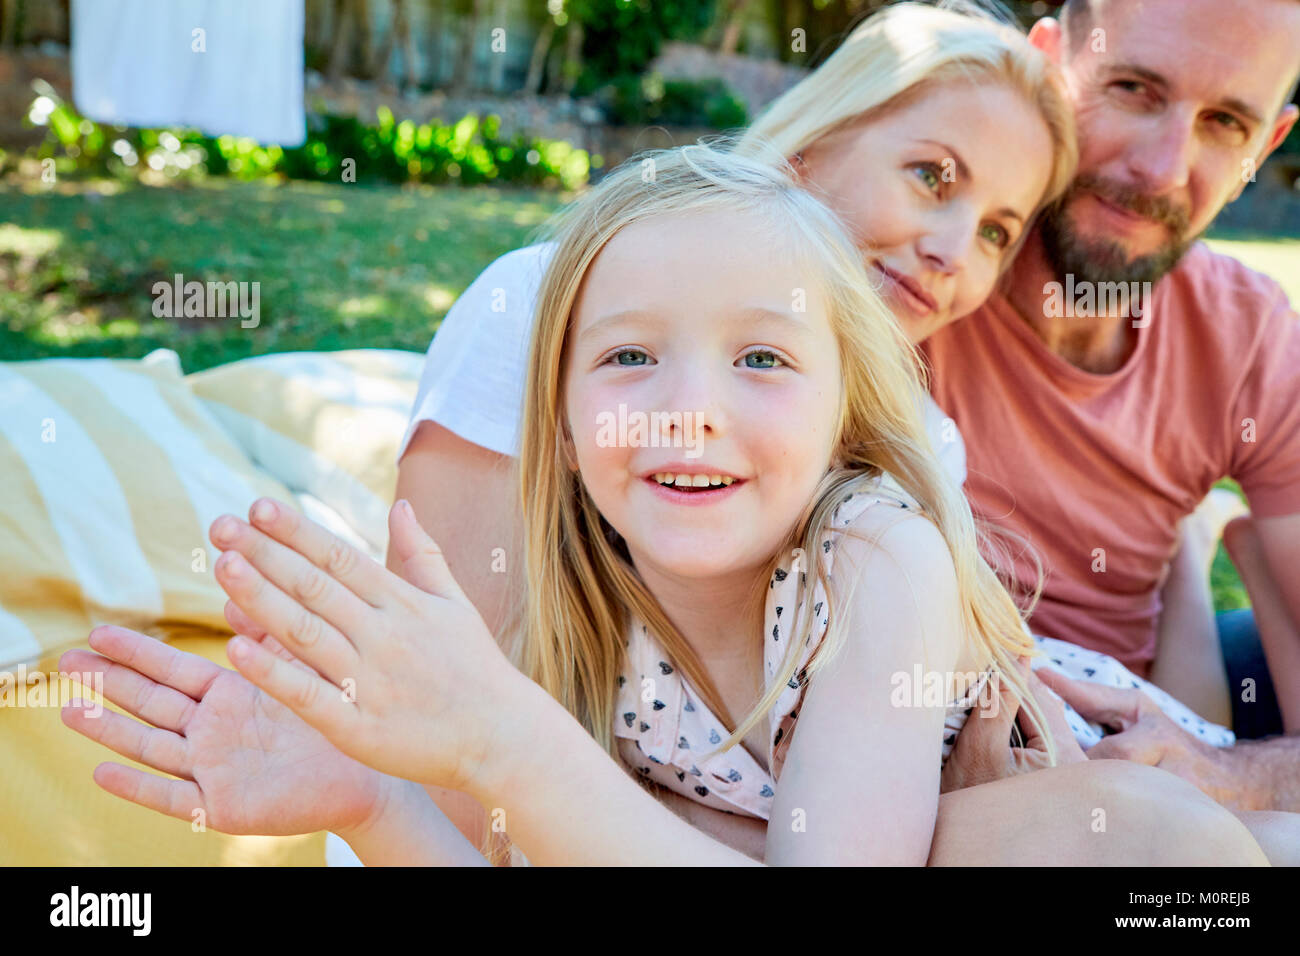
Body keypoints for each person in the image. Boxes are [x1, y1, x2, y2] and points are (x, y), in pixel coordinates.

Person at [63, 143, 1276, 864]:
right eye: (630, 357)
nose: (687, 411)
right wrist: (372, 797)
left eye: (761, 359)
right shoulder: (577, 582)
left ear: (844, 412)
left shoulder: (873, 556)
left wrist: (509, 744)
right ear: (559, 414)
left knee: (1169, 849)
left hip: (1145, 812)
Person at [920, 0, 1300, 800]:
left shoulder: (1250, 339)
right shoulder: (914, 276)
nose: (1163, 169)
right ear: (1046, 68)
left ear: (1263, 148)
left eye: (1225, 123)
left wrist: (1232, 772)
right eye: (1133, 88)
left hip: (1138, 733)